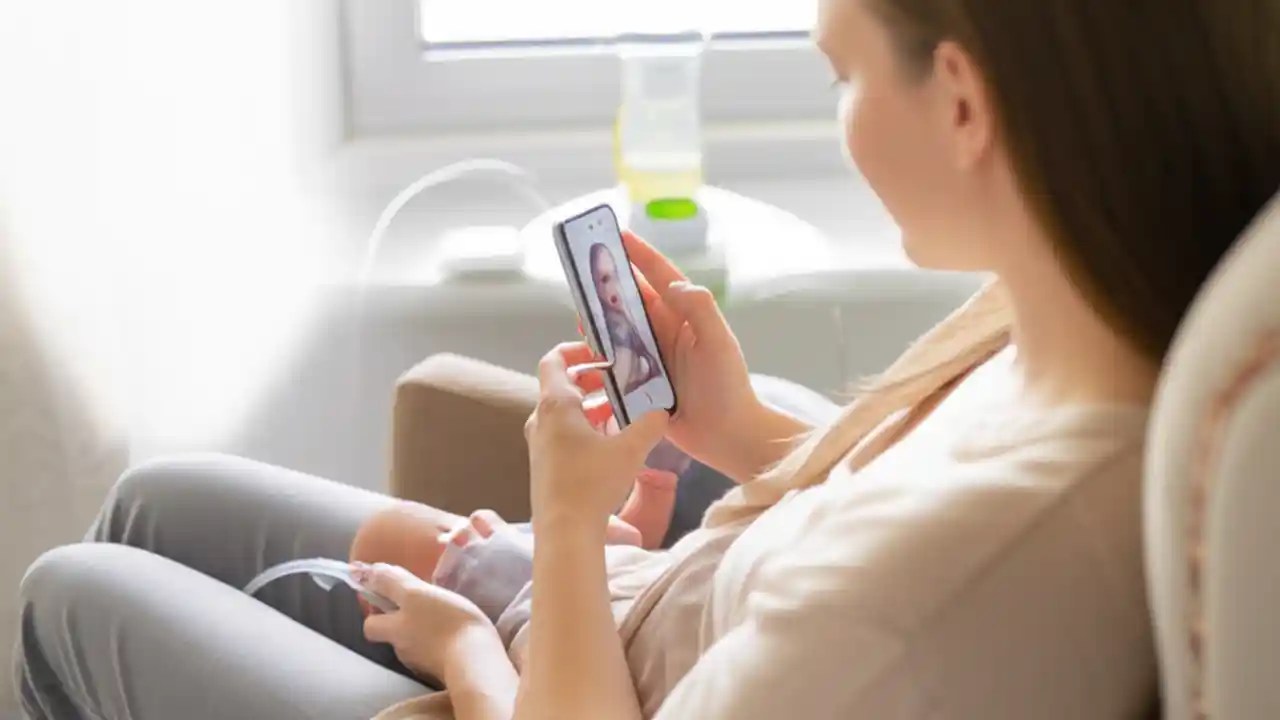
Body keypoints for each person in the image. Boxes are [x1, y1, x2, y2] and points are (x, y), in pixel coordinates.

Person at [16, 0, 1280, 718]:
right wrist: (739, 434)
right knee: (150, 504)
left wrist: (510, 594)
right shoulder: (1065, 329)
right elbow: (901, 500)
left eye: (839, 74)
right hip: (614, 614)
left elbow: (888, 576)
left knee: (66, 594)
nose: (839, 119)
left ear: (959, 104)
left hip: (536, 686)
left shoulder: (916, 610)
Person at [588, 241, 663, 395]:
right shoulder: (619, 329)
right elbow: (620, 387)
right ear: (595, 285)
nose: (614, 286)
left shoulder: (632, 316)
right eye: (605, 279)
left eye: (617, 274)